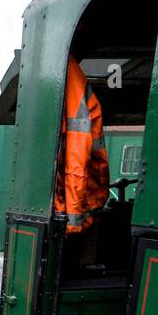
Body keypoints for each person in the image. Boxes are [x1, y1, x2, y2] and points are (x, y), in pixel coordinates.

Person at [54, 55, 110, 235]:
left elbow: (76, 159)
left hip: (77, 203)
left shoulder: (71, 81)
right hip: (84, 200)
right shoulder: (73, 79)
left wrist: (73, 219)